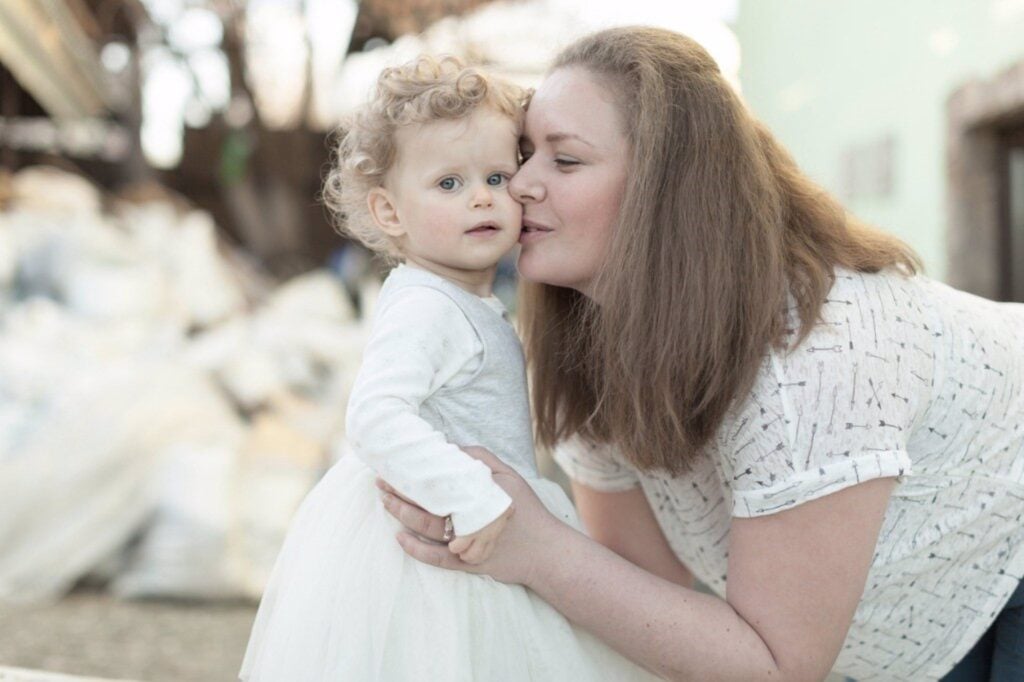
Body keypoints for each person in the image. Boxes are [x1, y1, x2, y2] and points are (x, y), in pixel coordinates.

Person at [377, 27, 1024, 681]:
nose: (518, 185)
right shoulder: (582, 338)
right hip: (900, 616)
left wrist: (534, 545)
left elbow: (774, 665)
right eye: (524, 153)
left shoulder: (815, 357)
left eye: (564, 160)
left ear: (669, 187)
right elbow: (641, 590)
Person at [238, 55, 658, 681]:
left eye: (496, 175)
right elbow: (376, 416)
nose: (483, 198)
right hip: (448, 537)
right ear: (389, 213)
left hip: (476, 523)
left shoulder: (461, 299)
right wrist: (472, 499)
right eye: (449, 185)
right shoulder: (428, 306)